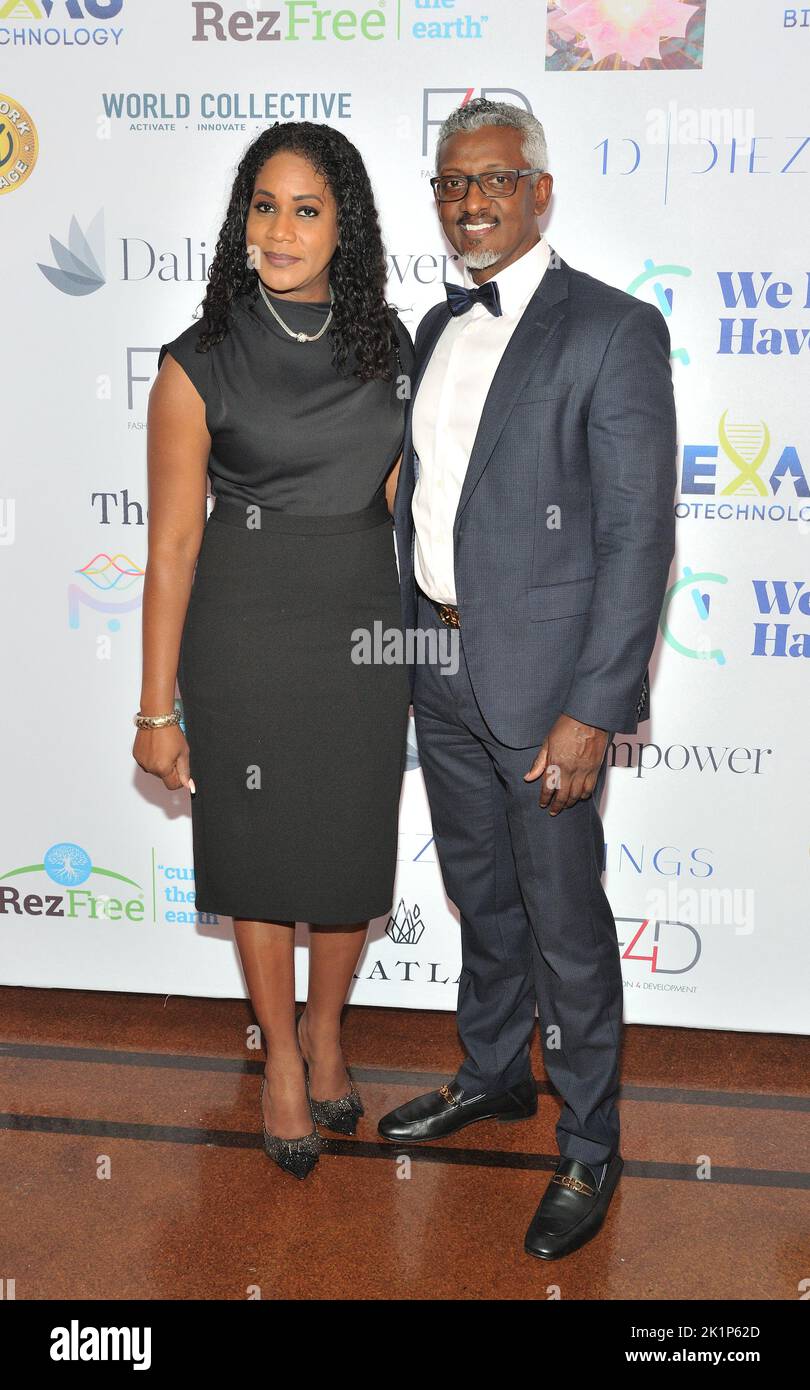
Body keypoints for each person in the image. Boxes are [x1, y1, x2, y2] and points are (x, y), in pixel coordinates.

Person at [380, 98, 677, 1260]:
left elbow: (638, 540)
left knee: (565, 923)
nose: (471, 201)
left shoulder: (613, 329)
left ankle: (592, 1143)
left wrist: (592, 710)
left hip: (549, 691)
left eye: (495, 180)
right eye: (453, 182)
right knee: (481, 898)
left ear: (541, 190)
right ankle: (495, 1074)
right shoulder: (433, 327)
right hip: (441, 665)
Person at [134, 121, 414, 1180]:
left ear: (344, 224)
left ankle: (331, 1028)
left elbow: (412, 506)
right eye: (264, 205)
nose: (281, 227)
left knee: (345, 855)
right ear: (239, 219)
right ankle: (282, 1059)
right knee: (258, 856)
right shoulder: (197, 359)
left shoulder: (391, 347)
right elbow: (169, 545)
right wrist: (157, 709)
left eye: (307, 207)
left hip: (359, 627)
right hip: (242, 631)